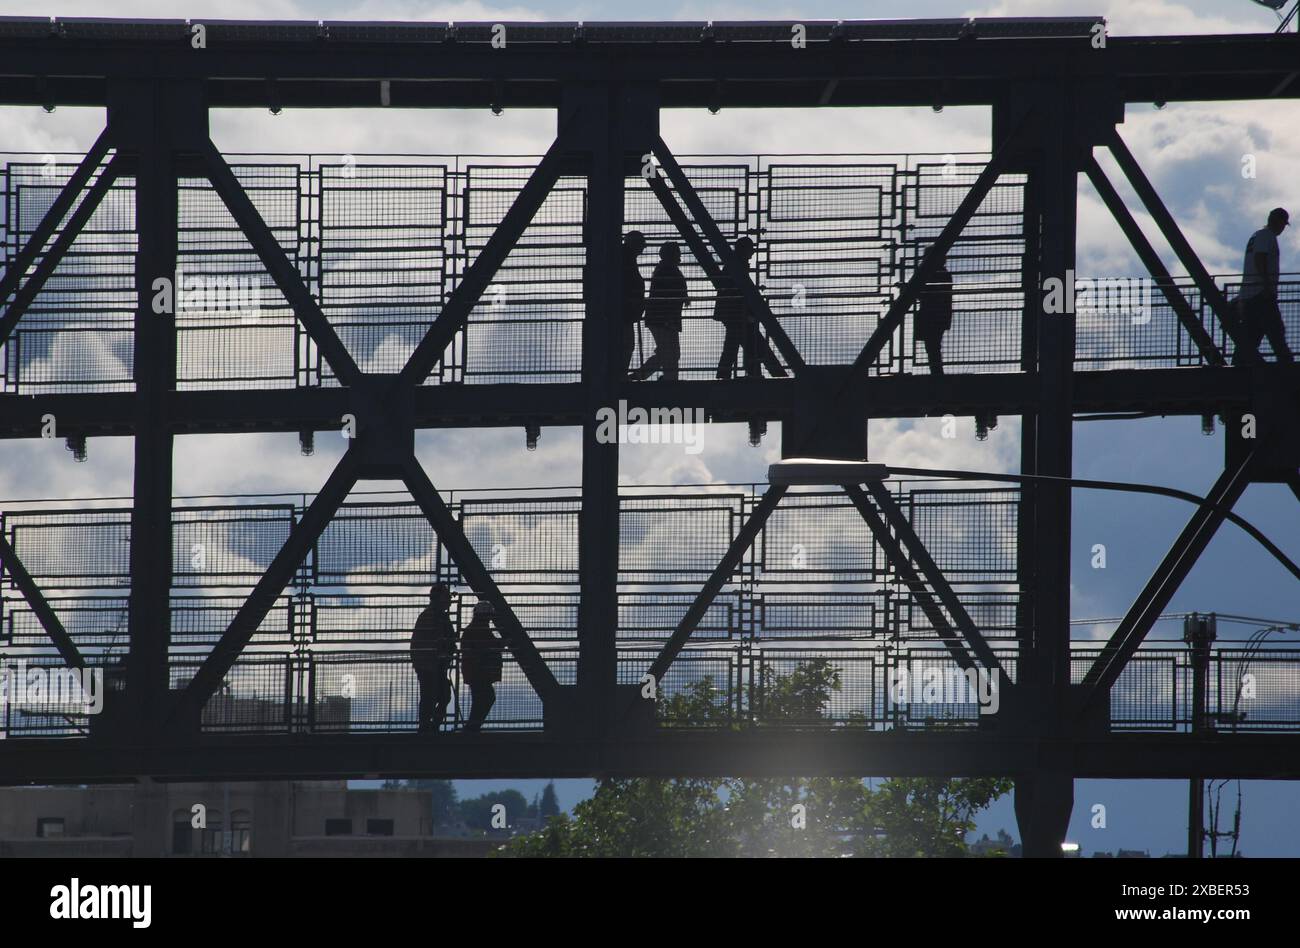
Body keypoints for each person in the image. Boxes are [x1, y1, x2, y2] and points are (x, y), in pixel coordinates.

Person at [1234, 207, 1293, 365]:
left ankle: (1236, 368)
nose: (1282, 228)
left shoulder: (1258, 235)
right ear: (1279, 222)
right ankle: (1288, 370)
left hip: (1250, 295)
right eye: (1283, 224)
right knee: (1276, 331)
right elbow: (1260, 259)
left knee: (1251, 336)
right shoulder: (1266, 236)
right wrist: (1267, 285)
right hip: (1261, 294)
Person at [630, 241, 690, 381]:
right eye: (677, 252)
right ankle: (668, 380)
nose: (679, 254)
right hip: (664, 319)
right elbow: (667, 296)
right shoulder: (668, 269)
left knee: (668, 352)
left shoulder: (664, 268)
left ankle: (645, 376)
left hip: (662, 318)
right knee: (670, 353)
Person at [410, 584, 455, 734]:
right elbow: (428, 642)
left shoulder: (437, 616)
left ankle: (431, 726)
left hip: (435, 665)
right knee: (431, 696)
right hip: (429, 666)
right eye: (447, 597)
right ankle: (426, 727)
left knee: (441, 695)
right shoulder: (431, 616)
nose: (449, 600)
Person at [460, 600, 504, 733]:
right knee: (486, 697)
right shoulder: (479, 629)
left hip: (476, 670)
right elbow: (487, 645)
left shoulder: (476, 628)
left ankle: (472, 727)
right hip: (478, 670)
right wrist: (502, 643)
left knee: (481, 698)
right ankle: (472, 728)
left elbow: (486, 644)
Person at [915, 247, 953, 376]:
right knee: (934, 346)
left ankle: (936, 373)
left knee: (932, 347)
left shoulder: (928, 274)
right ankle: (937, 373)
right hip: (940, 315)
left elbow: (921, 293)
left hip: (929, 314)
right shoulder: (944, 273)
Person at [621, 231, 648, 373]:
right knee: (626, 344)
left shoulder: (625, 256)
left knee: (626, 344)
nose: (643, 248)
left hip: (625, 310)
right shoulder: (626, 258)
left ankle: (620, 373)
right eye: (642, 244)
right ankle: (620, 373)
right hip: (624, 311)